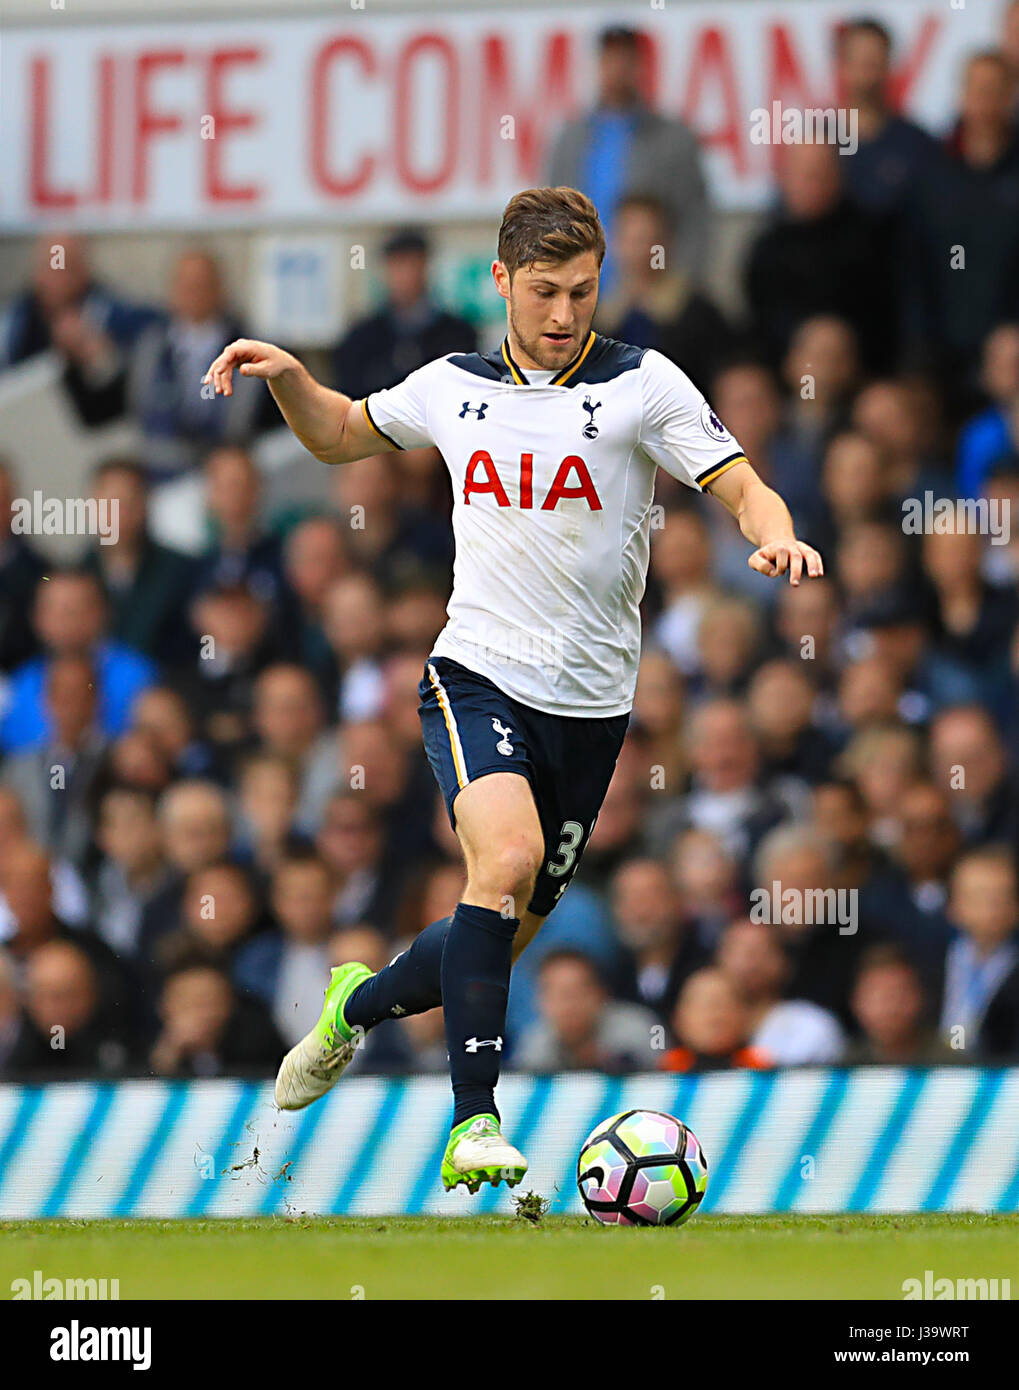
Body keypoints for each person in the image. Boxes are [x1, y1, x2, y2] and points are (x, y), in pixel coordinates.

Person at [203, 185, 822, 1197]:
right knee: (507, 861)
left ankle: (353, 1008)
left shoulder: (641, 385)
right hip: (475, 672)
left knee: (493, 930)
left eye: (581, 290)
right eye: (542, 289)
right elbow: (339, 434)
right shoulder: (450, 386)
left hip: (588, 712)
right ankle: (473, 1121)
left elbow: (741, 483)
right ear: (499, 280)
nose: (563, 312)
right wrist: (287, 379)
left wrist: (776, 534)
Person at [544, 27, 710, 288]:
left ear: (639, 66)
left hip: (653, 295)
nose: (617, 69)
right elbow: (549, 219)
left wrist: (683, 288)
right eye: (610, 59)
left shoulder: (672, 139)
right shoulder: (571, 140)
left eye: (626, 59)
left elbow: (694, 218)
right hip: (583, 291)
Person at [331, 228, 476, 400]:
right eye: (398, 265)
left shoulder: (457, 334)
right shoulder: (361, 337)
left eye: (412, 264)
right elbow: (348, 398)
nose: (405, 275)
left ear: (425, 267)